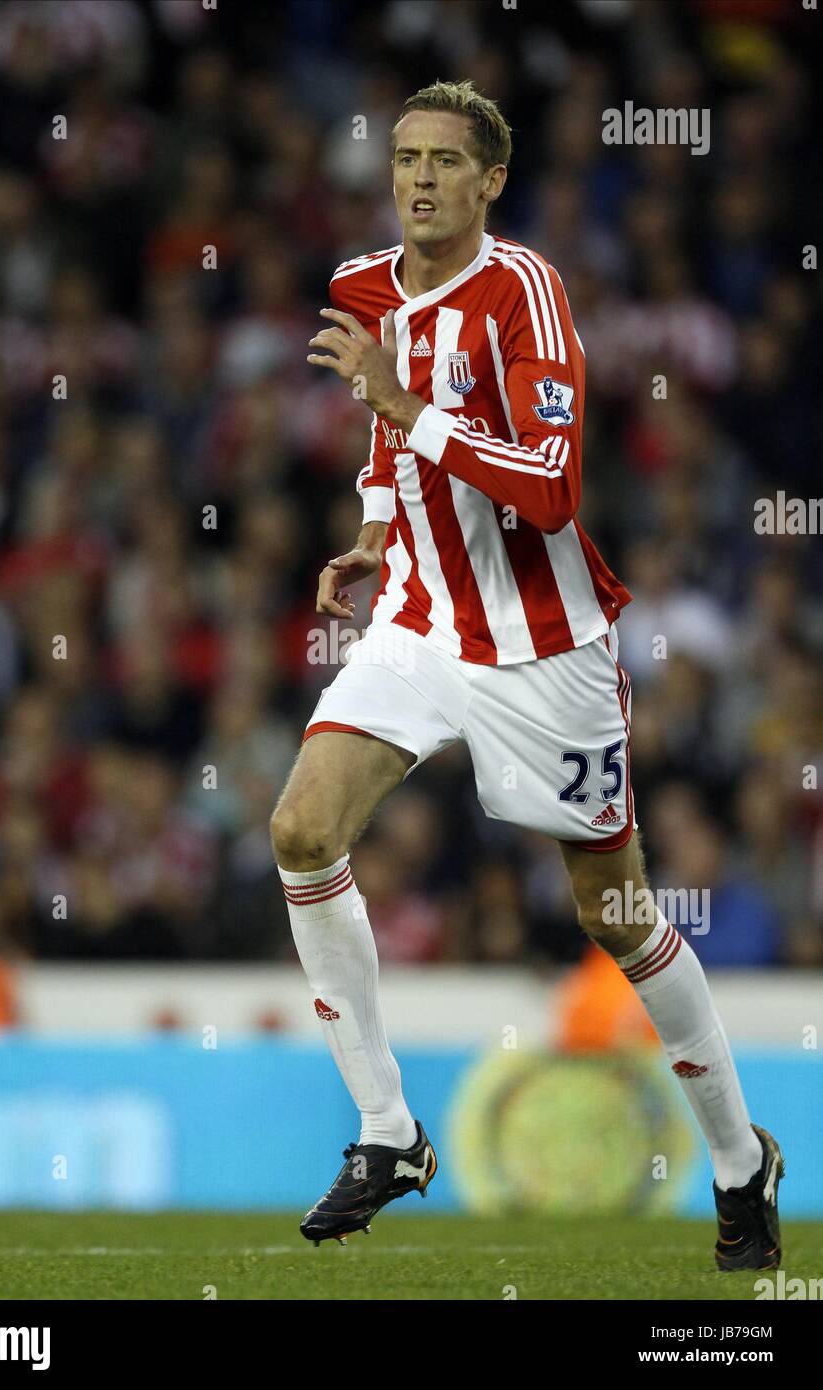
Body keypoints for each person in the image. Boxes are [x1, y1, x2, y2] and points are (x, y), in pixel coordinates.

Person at [270, 80, 782, 1268]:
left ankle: (738, 1159)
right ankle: (388, 1130)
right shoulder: (360, 287)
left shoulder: (528, 296)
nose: (419, 179)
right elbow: (384, 440)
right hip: (416, 619)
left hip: (542, 646)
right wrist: (375, 529)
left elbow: (549, 486)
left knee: (618, 914)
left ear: (491, 179)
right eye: (405, 157)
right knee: (301, 828)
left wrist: (403, 399)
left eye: (446, 160)